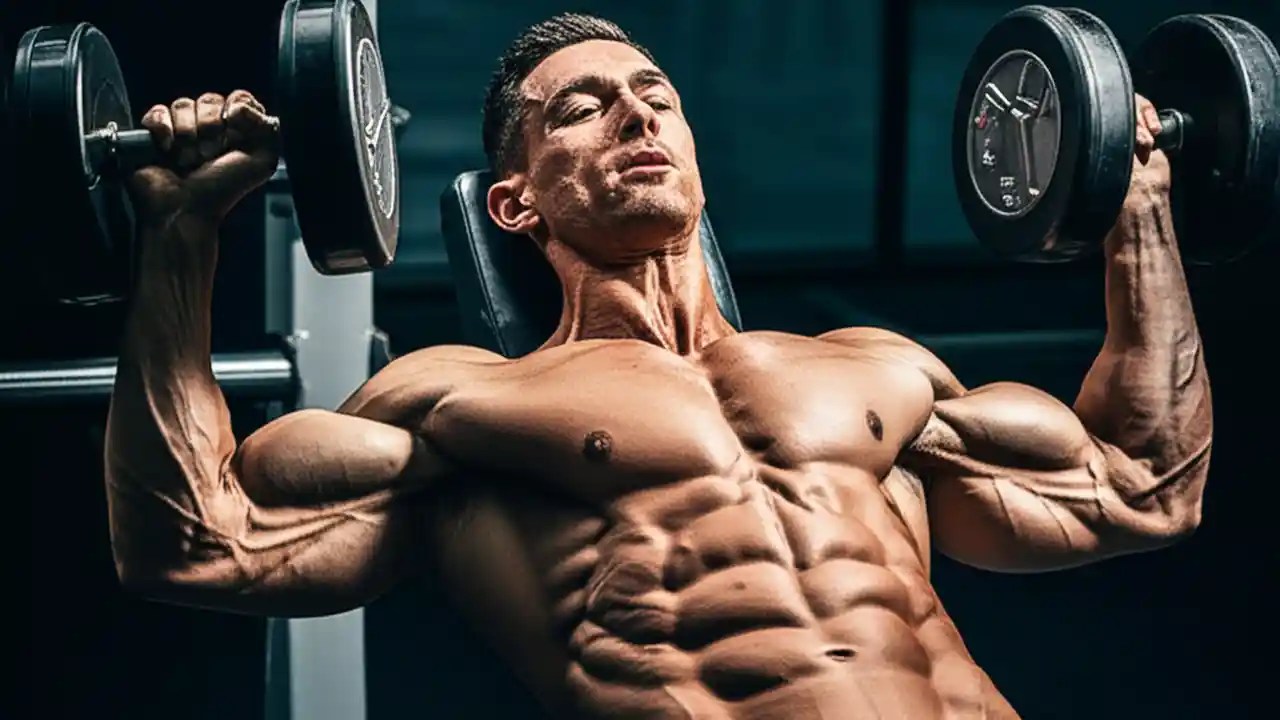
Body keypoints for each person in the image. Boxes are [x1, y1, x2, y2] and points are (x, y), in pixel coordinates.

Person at [104, 13, 1211, 719]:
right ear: (515, 201)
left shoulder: (874, 370)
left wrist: (1141, 207)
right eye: (582, 109)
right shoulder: (462, 401)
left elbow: (1142, 487)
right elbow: (199, 544)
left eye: (656, 98)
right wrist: (182, 233)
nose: (635, 111)